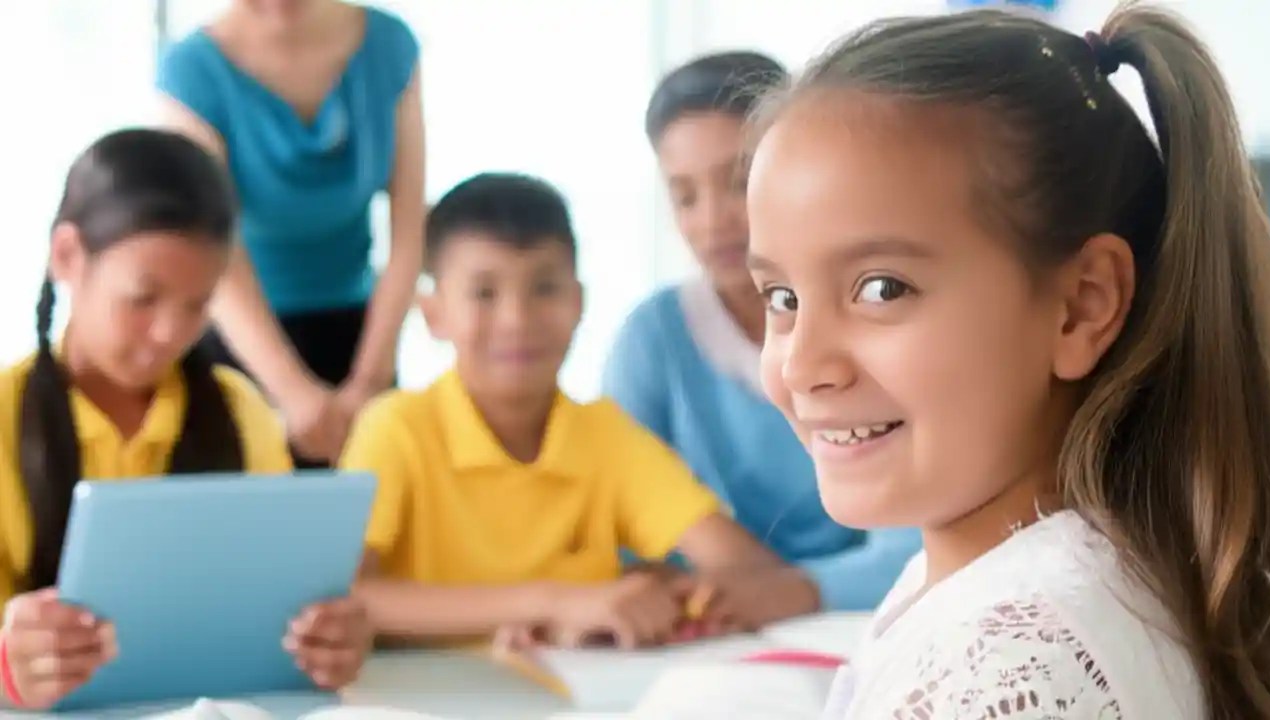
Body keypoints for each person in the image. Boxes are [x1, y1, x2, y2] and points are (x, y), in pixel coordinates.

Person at [746, 4, 1270, 719]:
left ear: (1081, 306)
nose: (804, 364)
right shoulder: (1027, 583)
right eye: (781, 297)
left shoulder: (1012, 668)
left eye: (882, 288)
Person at [344, 173, 809, 649]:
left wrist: (675, 596)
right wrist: (553, 602)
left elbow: (747, 567)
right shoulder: (394, 428)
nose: (516, 320)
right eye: (484, 293)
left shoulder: (606, 436)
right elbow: (346, 595)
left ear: (579, 301)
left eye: (544, 288)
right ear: (434, 313)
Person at [0, 129, 370, 711]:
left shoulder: (239, 409)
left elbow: (281, 602)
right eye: (143, 298)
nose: (170, 333)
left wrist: (329, 640)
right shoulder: (6, 416)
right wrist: (10, 664)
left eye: (198, 304)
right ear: (68, 255)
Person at [603, 51, 920, 612]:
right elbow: (620, 536)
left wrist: (792, 591)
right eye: (684, 196)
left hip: (868, 623)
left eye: (739, 180)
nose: (712, 219)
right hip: (706, 634)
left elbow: (919, 545)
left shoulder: (876, 319)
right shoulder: (652, 341)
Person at [157, 0, 426, 466]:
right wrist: (291, 391)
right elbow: (213, 252)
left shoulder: (389, 45)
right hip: (243, 341)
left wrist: (370, 379)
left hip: (364, 337)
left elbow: (409, 231)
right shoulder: (192, 71)